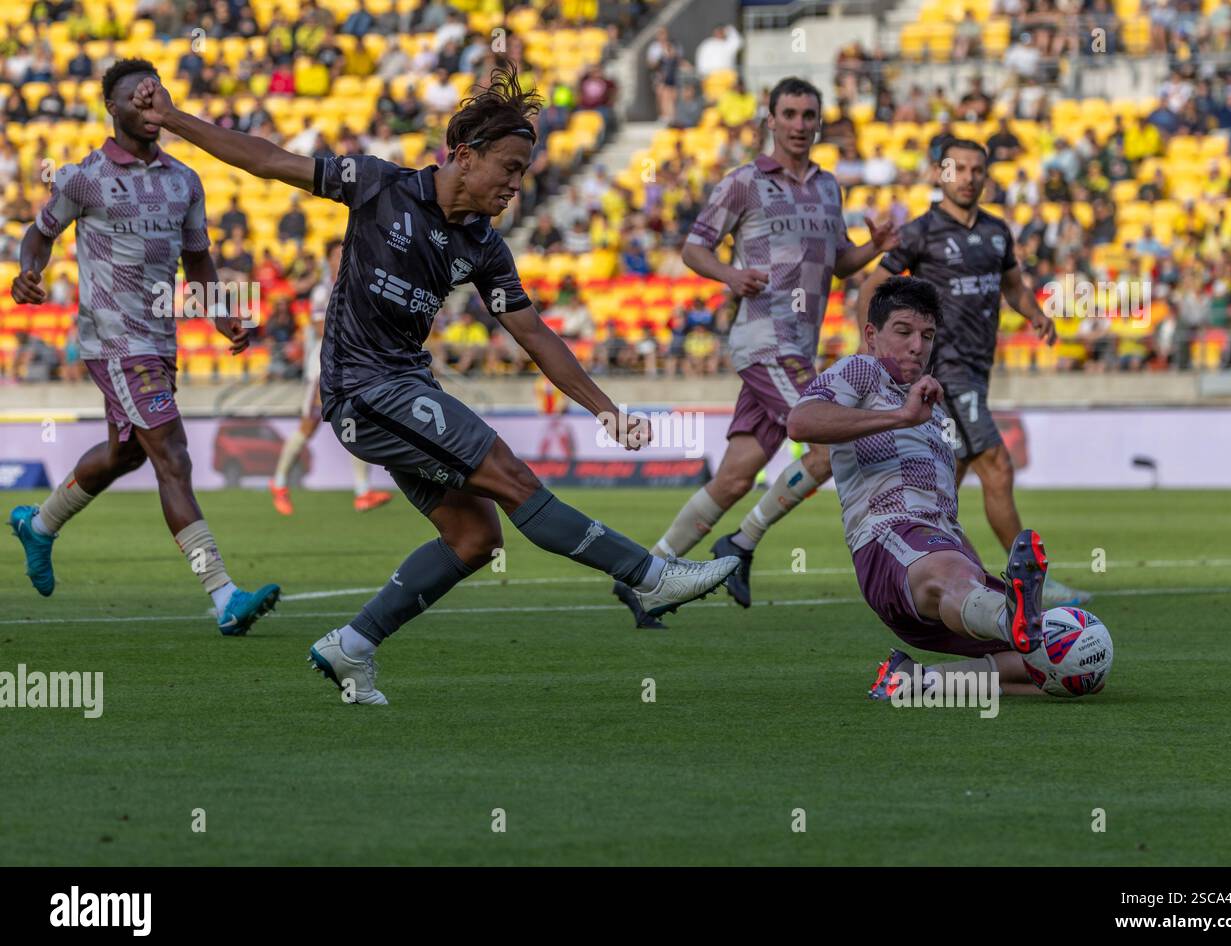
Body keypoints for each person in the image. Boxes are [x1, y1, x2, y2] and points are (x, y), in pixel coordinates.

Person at [130, 64, 740, 704]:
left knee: (476, 540)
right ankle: (648, 575)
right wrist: (171, 119)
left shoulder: (485, 247)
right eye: (508, 168)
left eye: (523, 174)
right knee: (513, 477)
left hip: (401, 389)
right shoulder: (377, 185)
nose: (515, 186)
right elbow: (268, 160)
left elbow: (534, 336)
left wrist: (606, 410)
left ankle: (352, 645)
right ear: (465, 155)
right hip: (362, 389)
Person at [7, 58, 280, 635]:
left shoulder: (185, 180)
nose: (151, 107)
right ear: (113, 106)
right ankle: (224, 594)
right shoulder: (82, 177)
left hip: (158, 341)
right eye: (138, 98)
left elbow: (199, 260)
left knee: (128, 452)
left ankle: (41, 524)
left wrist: (222, 314)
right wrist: (27, 271)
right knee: (172, 456)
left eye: (158, 97)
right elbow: (39, 233)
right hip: (113, 340)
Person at [616, 77, 898, 627]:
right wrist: (729, 274)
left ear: (818, 121)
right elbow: (693, 247)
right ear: (770, 119)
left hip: (796, 347)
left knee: (736, 476)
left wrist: (874, 249)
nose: (798, 124)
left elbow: (838, 262)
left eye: (808, 114)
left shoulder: (828, 187)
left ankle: (647, 575)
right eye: (789, 113)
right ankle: (741, 544)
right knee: (828, 445)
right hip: (767, 340)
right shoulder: (742, 182)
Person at [786, 275, 1052, 700]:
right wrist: (899, 418)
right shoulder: (863, 370)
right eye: (904, 331)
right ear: (871, 335)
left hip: (940, 551)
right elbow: (800, 422)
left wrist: (976, 571)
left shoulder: (932, 408)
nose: (917, 345)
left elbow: (945, 512)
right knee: (979, 594)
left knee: (1059, 660)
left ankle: (916, 681)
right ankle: (1007, 618)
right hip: (888, 538)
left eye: (927, 335)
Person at [856, 139, 1091, 607]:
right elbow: (873, 286)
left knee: (949, 475)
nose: (968, 177)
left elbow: (1013, 287)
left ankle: (929, 569)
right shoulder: (920, 233)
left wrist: (1034, 314)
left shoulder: (997, 232)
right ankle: (1033, 586)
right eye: (958, 168)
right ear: (941, 174)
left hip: (978, 368)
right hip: (946, 371)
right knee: (997, 467)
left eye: (976, 169)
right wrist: (874, 346)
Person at [270, 239, 394, 514]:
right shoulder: (323, 290)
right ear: (327, 261)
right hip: (324, 366)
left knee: (355, 421)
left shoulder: (360, 286)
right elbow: (318, 325)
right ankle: (279, 482)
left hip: (349, 365)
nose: (342, 259)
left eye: (345, 254)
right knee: (309, 425)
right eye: (337, 256)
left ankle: (362, 492)